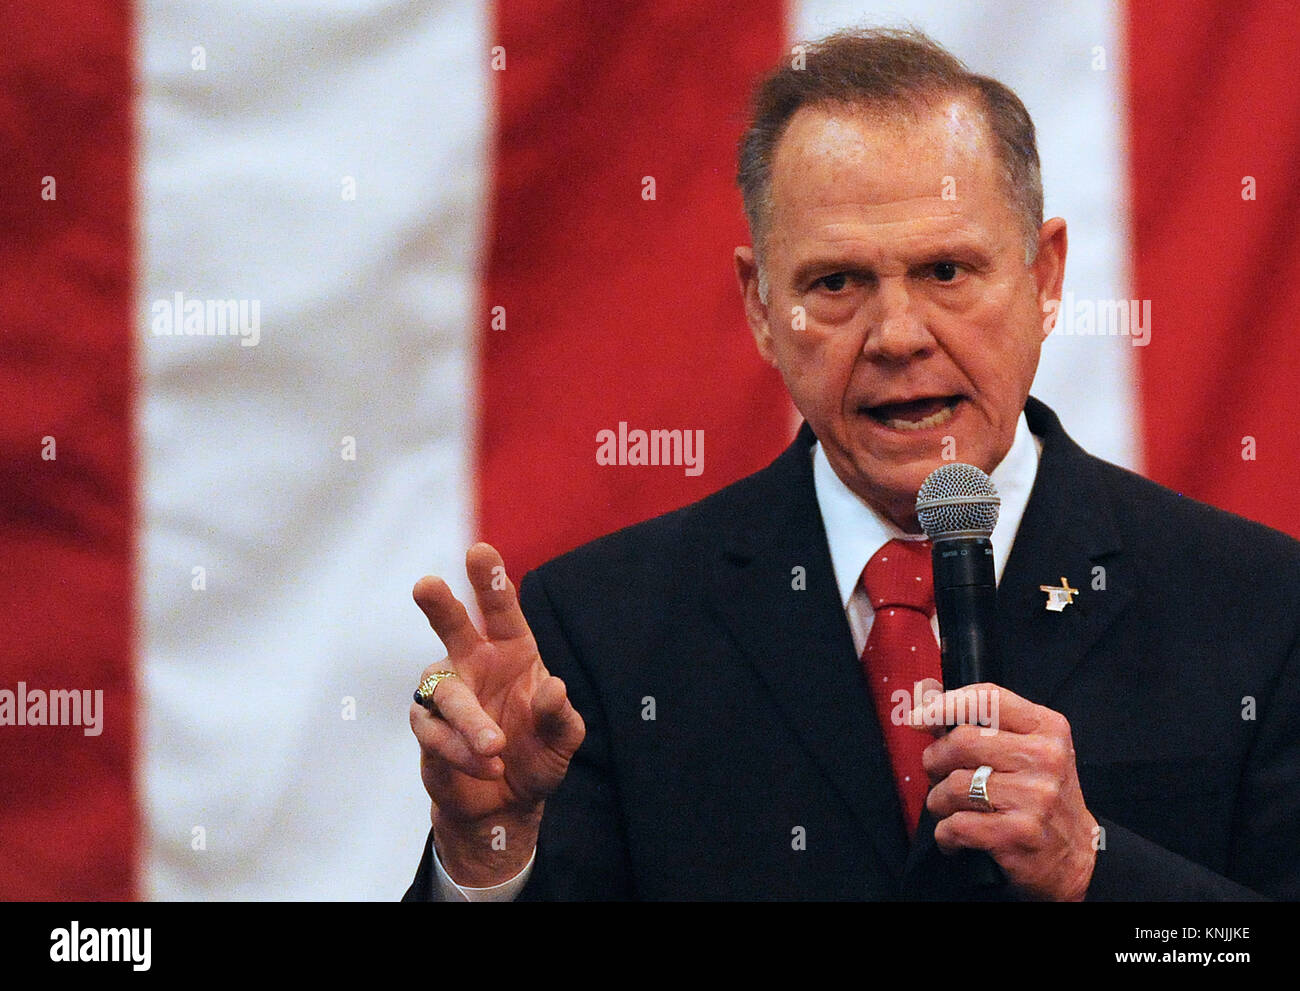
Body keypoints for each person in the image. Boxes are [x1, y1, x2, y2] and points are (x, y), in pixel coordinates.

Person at [403, 28, 1300, 901]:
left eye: (947, 269)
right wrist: (489, 850)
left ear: (1046, 276)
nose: (899, 336)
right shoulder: (604, 630)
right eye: (836, 283)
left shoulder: (1260, 608)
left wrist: (1093, 868)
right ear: (761, 306)